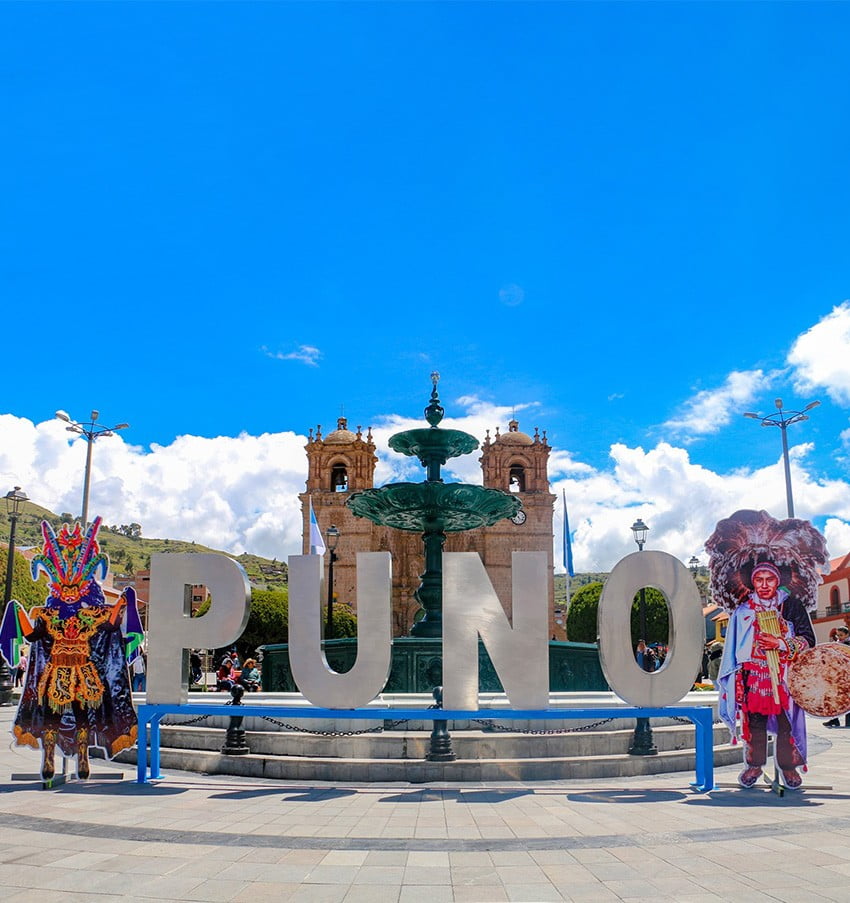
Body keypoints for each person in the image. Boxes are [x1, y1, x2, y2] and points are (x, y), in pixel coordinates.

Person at [0, 518, 140, 780]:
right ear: (57, 587)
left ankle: (84, 757)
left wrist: (123, 603)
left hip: (84, 674)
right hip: (56, 674)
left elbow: (109, 628)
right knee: (51, 716)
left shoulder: (91, 615)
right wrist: (17, 612)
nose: (69, 593)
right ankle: (49, 758)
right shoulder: (49, 615)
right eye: (64, 588)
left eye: (74, 588)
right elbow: (33, 636)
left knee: (83, 715)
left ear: (83, 587)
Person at [706, 509, 827, 791]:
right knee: (755, 724)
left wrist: (782, 643)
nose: (763, 585)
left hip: (784, 676)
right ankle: (754, 765)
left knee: (787, 724)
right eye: (758, 580)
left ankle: (789, 768)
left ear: (778, 581)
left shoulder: (791, 605)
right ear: (752, 582)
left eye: (769, 580)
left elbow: (808, 638)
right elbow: (734, 648)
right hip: (753, 678)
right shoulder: (742, 611)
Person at [823, 626, 850, 727]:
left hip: (846, 674)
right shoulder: (838, 644)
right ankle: (834, 719)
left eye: (841, 635)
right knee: (833, 697)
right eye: (837, 635)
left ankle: (849, 721)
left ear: (847, 635)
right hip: (836, 674)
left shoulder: (847, 644)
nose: (839, 637)